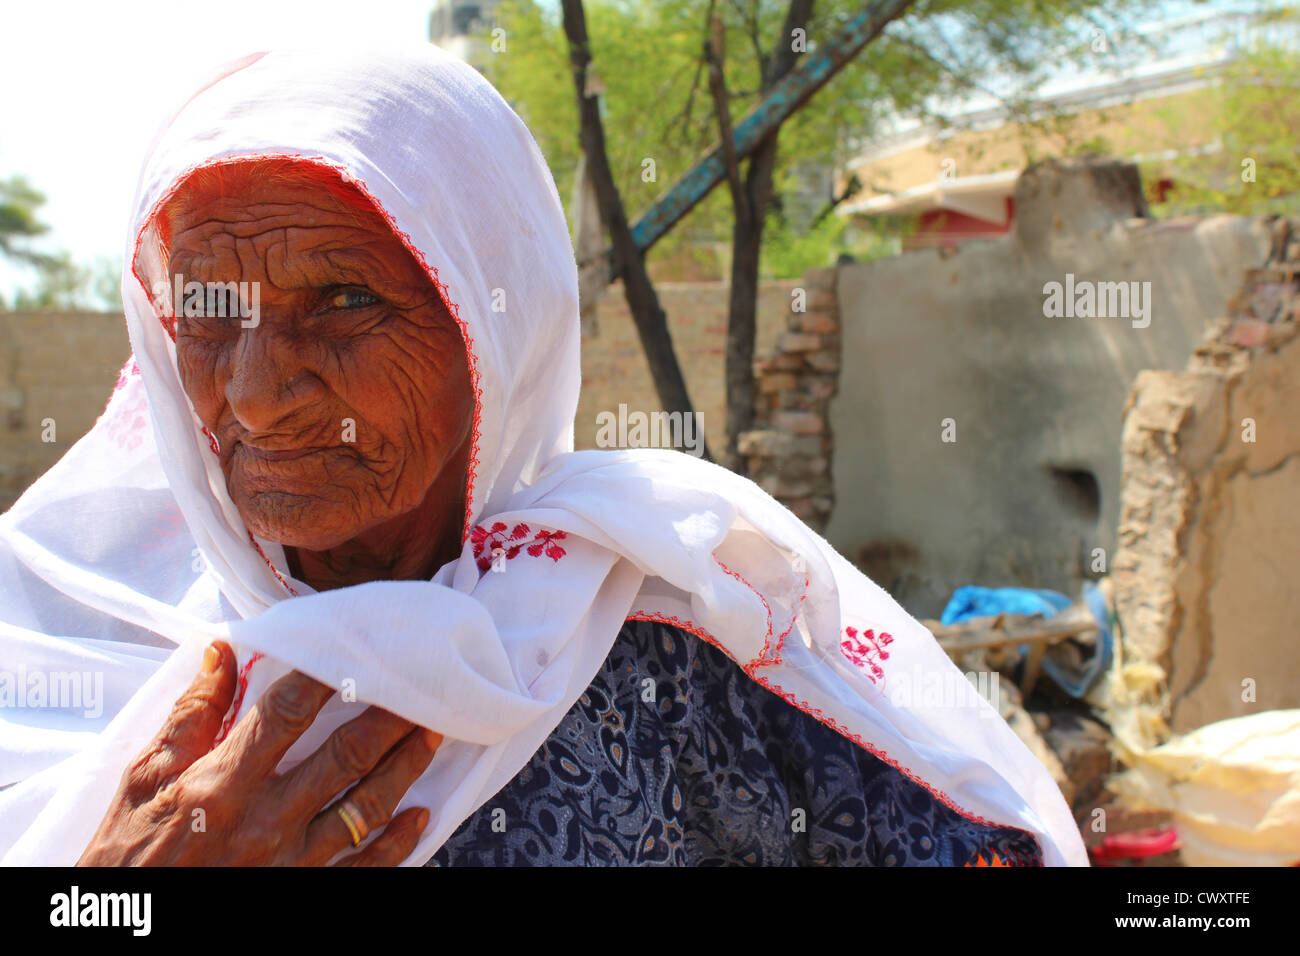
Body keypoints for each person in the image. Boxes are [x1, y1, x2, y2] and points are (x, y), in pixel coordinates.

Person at [0, 45, 1085, 866]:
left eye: (342, 298)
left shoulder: (683, 633)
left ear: (492, 330)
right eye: (205, 309)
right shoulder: (69, 625)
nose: (252, 390)